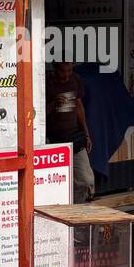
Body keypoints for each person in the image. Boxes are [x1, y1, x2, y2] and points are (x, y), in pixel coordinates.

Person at [46, 60, 94, 202]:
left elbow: (79, 106)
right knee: (55, 180)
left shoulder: (75, 79)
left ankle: (77, 208)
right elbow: (37, 110)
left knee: (85, 179)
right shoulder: (46, 81)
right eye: (63, 71)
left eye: (69, 71)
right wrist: (54, 104)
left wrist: (86, 133)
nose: (66, 75)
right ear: (55, 68)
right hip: (52, 138)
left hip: (74, 136)